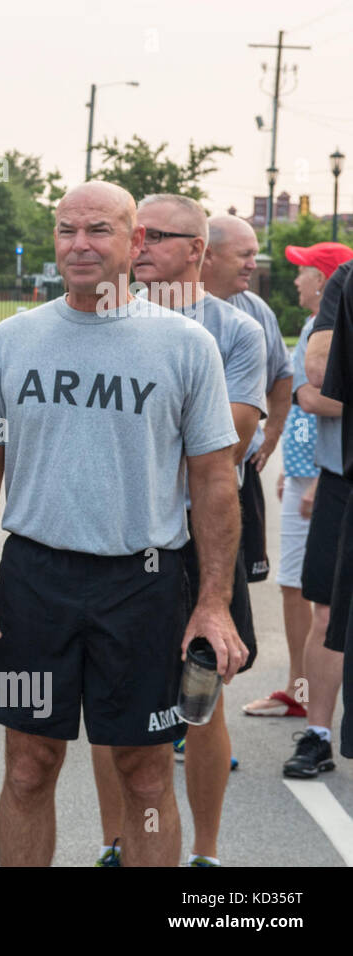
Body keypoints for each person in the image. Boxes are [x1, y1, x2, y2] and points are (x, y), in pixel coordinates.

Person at [0, 181, 246, 868]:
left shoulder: (184, 345)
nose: (79, 244)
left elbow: (213, 481)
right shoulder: (14, 339)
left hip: (143, 584)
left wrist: (214, 602)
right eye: (66, 229)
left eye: (99, 230)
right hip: (34, 580)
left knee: (143, 772)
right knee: (28, 765)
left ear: (135, 241)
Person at [89, 194, 266, 868]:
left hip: (202, 539)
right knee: (112, 699)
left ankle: (206, 853)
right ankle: (114, 843)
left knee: (201, 701)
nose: (141, 248)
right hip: (120, 535)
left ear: (197, 249)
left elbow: (229, 440)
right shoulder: (101, 317)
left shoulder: (235, 331)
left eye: (158, 237)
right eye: (137, 234)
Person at [245, 242, 353, 720]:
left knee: (316, 597)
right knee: (301, 589)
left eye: (305, 270)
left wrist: (309, 475)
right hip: (313, 470)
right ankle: (301, 693)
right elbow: (302, 395)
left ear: (326, 280)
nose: (296, 279)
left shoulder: (329, 327)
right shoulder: (315, 327)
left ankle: (302, 691)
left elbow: (313, 396)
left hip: (326, 475)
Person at [202, 214, 294, 583]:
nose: (253, 264)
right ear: (207, 255)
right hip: (174, 476)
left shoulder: (255, 310)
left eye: (254, 254)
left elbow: (282, 378)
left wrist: (270, 436)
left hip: (238, 471)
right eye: (244, 254)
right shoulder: (164, 301)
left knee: (233, 578)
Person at [293, 255, 353, 776]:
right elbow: (316, 381)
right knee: (328, 613)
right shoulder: (346, 278)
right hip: (342, 478)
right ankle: (317, 733)